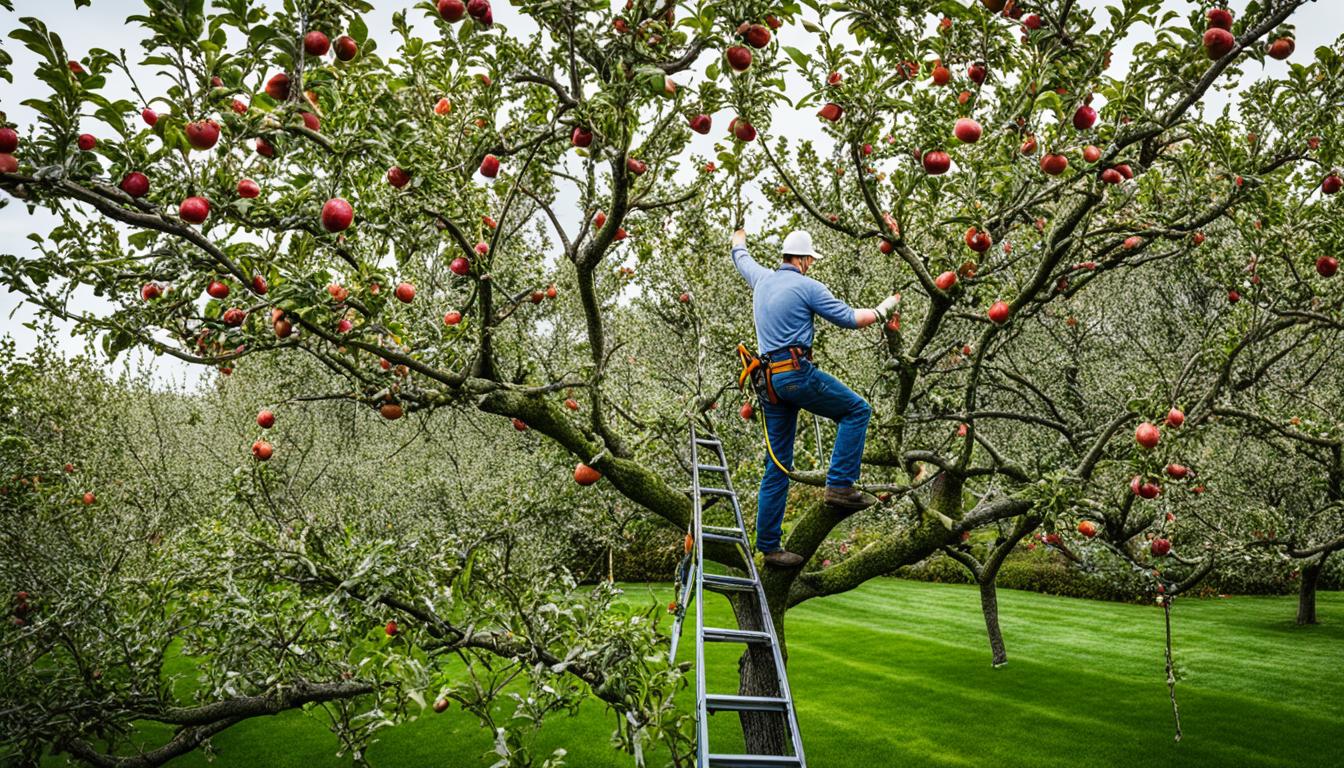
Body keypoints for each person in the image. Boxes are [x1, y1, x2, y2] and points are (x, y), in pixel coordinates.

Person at [730, 227, 899, 568]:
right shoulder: (808, 287)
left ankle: (770, 547)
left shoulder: (761, 279)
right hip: (796, 375)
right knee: (857, 410)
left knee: (777, 464)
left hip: (769, 384)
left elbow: (740, 258)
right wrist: (885, 308)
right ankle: (840, 486)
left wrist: (738, 238)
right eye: (811, 259)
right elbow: (851, 319)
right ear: (804, 259)